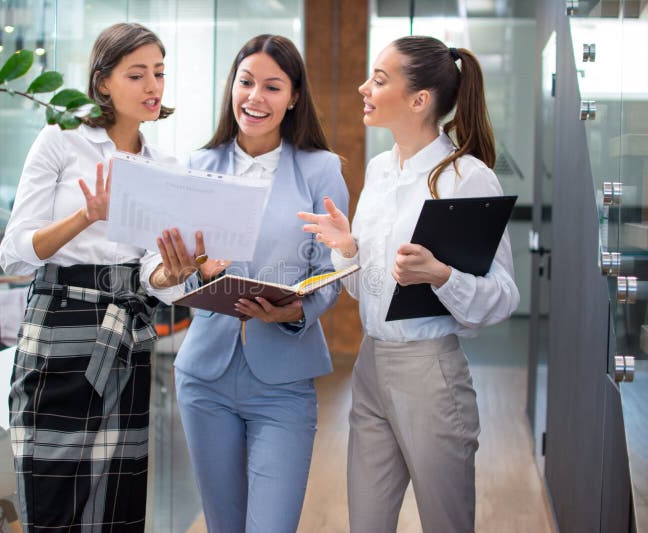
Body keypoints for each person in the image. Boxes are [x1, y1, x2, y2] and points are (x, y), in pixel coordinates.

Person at [298, 36, 520, 532]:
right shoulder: (379, 171)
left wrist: (441, 276)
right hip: (371, 366)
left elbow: (504, 297)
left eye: (379, 79)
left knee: (446, 523)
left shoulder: (468, 177)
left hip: (431, 374)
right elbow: (366, 291)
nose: (364, 87)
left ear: (420, 100)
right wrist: (349, 250)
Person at [152, 35, 349, 533]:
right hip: (205, 378)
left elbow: (332, 270)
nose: (255, 97)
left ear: (294, 97)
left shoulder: (321, 169)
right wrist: (201, 271)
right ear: (231, 87)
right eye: (246, 82)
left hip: (283, 381)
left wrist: (297, 310)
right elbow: (175, 270)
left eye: (272, 86)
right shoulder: (198, 166)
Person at [0, 23, 187, 532]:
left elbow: (154, 276)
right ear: (103, 82)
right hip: (58, 329)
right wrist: (86, 216)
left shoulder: (163, 165)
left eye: (160, 74)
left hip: (126, 337)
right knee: (52, 502)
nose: (153, 87)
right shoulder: (61, 139)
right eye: (137, 74)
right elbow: (13, 254)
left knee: (117, 507)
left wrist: (177, 268)